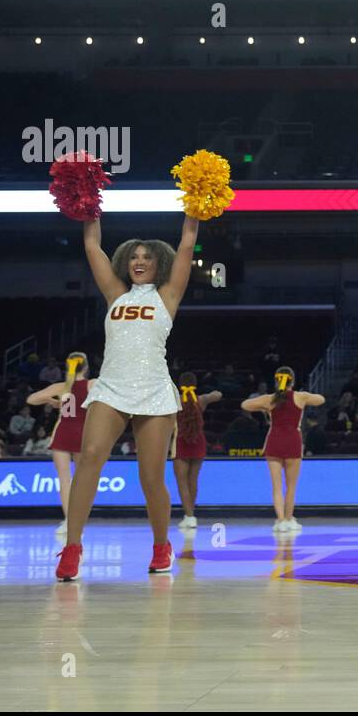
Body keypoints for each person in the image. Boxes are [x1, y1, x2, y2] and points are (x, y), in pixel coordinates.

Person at [54, 214, 200, 582]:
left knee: (151, 476)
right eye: (134, 256)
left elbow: (186, 244)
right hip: (112, 387)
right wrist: (89, 210)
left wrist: (194, 208)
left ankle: (161, 545)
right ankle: (72, 548)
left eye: (147, 257)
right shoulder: (115, 295)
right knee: (88, 459)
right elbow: (91, 246)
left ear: (159, 264)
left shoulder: (168, 295)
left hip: (153, 389)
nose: (139, 261)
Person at [241, 366, 325, 532]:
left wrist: (263, 407)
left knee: (277, 486)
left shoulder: (270, 399)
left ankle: (280, 521)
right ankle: (289, 519)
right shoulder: (300, 397)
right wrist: (306, 396)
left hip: (275, 441)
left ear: (276, 381)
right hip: (293, 441)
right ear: (292, 381)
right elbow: (321, 399)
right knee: (291, 486)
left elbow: (245, 404)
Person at [27, 351, 95, 536]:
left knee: (65, 481)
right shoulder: (94, 384)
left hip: (63, 433)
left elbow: (31, 399)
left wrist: (51, 400)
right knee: (83, 481)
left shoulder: (62, 387)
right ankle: (80, 520)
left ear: (67, 367)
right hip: (83, 434)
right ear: (86, 366)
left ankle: (69, 521)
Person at [171, 372, 222, 530]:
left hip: (181, 442)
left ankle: (189, 516)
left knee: (182, 482)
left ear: (180, 385)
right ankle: (190, 515)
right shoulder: (201, 400)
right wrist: (211, 393)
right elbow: (218, 395)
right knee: (193, 480)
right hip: (198, 441)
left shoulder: (175, 400)